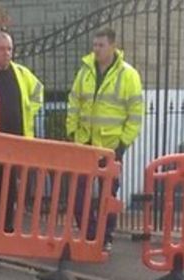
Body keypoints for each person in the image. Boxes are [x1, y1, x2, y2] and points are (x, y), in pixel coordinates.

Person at [66, 27, 143, 251]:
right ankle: (90, 235)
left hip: (110, 146)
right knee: (79, 193)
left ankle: (106, 237)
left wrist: (122, 144)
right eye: (94, 45)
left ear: (113, 46)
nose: (96, 49)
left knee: (108, 194)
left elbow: (135, 113)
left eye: (101, 45)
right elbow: (74, 102)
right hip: (85, 143)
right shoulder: (85, 71)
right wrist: (72, 133)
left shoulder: (128, 75)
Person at [0, 31, 43, 232]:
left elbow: (38, 91)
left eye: (9, 49)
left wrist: (29, 109)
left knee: (9, 187)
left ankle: (6, 227)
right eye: (1, 49)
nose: (6, 53)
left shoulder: (19, 72)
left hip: (14, 141)